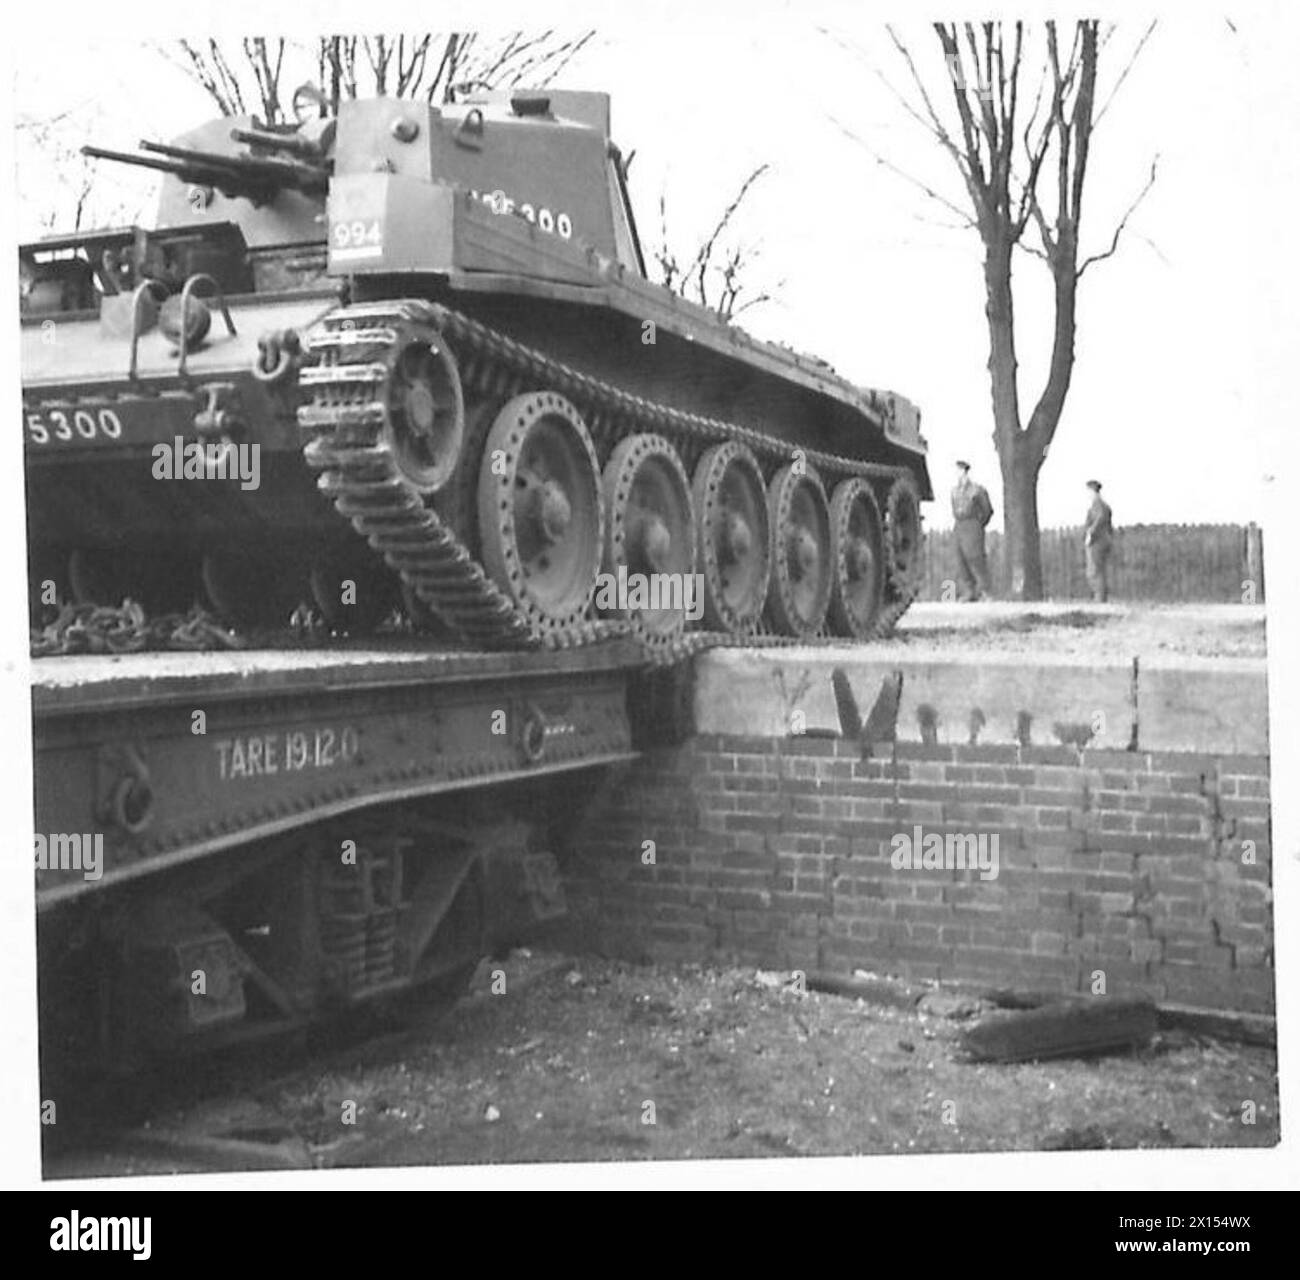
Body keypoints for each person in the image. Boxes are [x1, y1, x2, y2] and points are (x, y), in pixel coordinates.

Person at [951, 461, 993, 601]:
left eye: (959, 470)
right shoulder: (954, 491)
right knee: (961, 559)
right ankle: (969, 592)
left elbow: (987, 510)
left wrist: (979, 524)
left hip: (972, 524)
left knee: (975, 558)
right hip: (959, 524)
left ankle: (985, 591)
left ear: (965, 471)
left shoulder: (977, 490)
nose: (957, 473)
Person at [1084, 479, 1114, 602]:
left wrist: (1091, 532)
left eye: (1089, 491)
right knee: (1097, 570)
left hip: (1098, 541)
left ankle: (1100, 599)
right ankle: (1099, 597)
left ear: (1093, 491)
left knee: (1095, 571)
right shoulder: (1101, 505)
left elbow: (1100, 519)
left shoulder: (1099, 505)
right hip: (1102, 540)